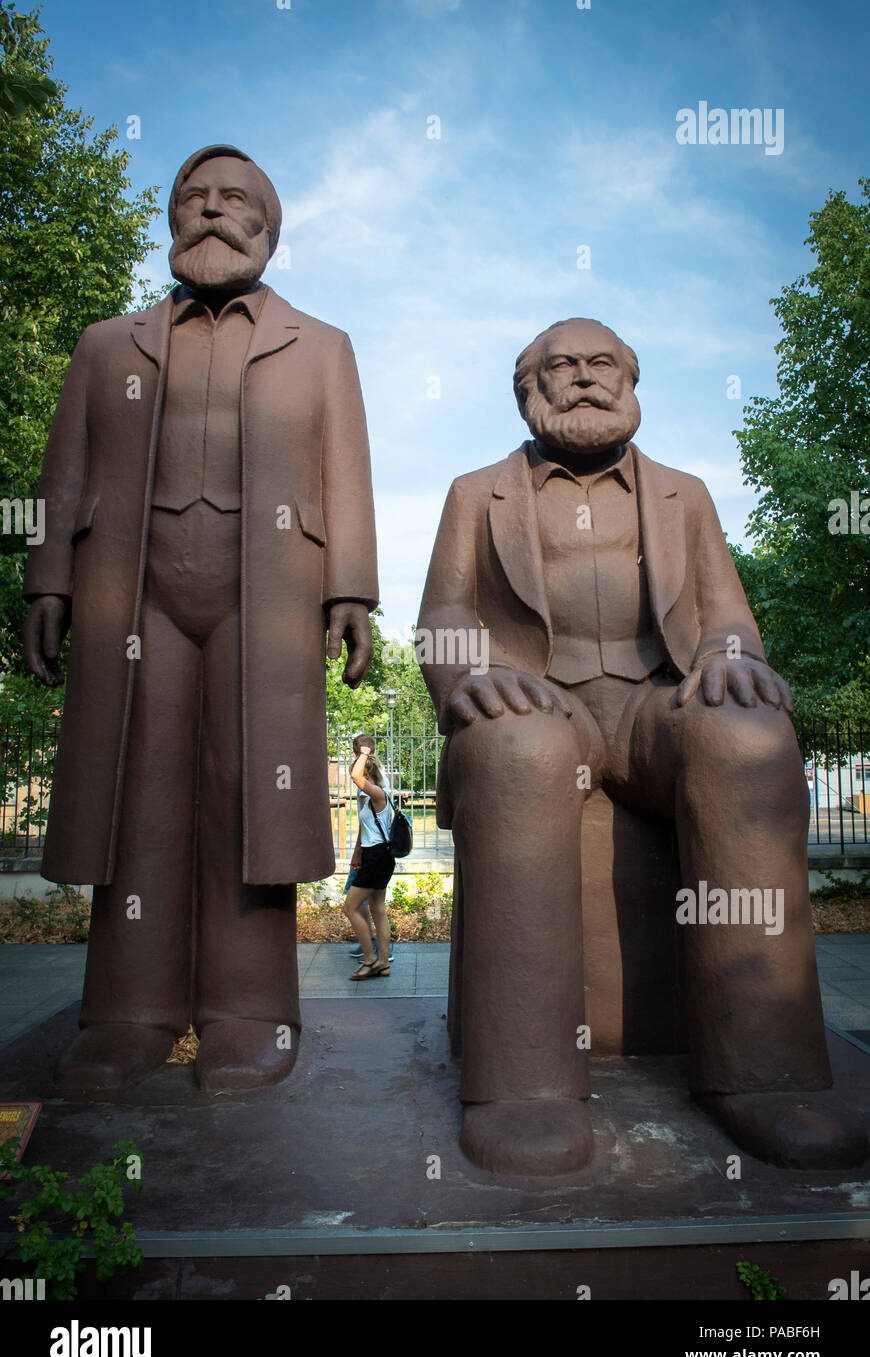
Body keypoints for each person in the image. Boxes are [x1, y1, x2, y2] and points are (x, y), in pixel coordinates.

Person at [417, 315, 868, 1174]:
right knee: (519, 751)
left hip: (656, 706)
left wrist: (732, 656)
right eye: (561, 367)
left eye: (602, 365)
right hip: (544, 705)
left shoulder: (684, 493)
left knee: (747, 739)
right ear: (528, 390)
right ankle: (524, 1086)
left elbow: (726, 612)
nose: (584, 379)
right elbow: (442, 616)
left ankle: (765, 1076)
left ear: (631, 380)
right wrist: (472, 673)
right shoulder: (478, 493)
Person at [22, 144, 378, 1095]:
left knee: (250, 788)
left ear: (269, 228)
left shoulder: (323, 345)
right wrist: (46, 579)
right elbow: (65, 470)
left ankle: (250, 1012)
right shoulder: (107, 345)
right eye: (194, 198)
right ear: (172, 220)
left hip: (267, 590)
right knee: (137, 781)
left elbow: (346, 469)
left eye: (236, 200)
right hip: (126, 585)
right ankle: (128, 1011)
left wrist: (352, 590)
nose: (212, 211)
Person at [343, 736, 395, 979]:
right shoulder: (368, 799)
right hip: (376, 855)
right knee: (377, 909)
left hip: (377, 858)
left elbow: (355, 776)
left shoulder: (377, 794)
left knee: (350, 907)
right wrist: (357, 853)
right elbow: (367, 830)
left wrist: (363, 752)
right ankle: (383, 963)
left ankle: (370, 958)